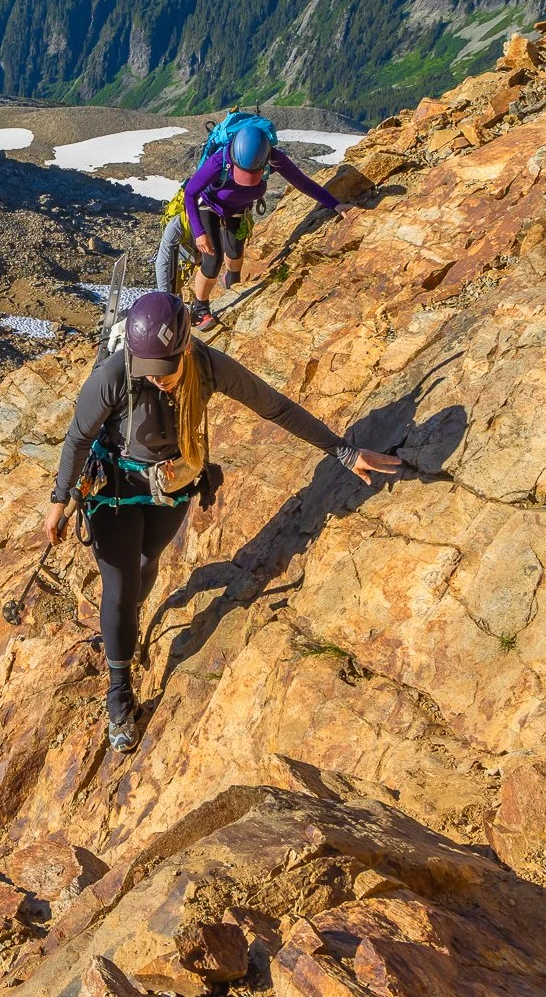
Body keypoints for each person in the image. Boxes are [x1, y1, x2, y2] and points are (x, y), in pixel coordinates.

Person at [40, 290, 404, 751]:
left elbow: (276, 407)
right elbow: (77, 439)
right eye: (148, 373)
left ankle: (126, 618)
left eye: (165, 372)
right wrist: (59, 499)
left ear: (186, 347)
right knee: (120, 585)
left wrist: (344, 451)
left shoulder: (207, 367)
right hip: (114, 489)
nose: (157, 383)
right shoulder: (116, 376)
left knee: (148, 559)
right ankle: (119, 691)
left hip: (170, 488)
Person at [161, 121, 343, 327]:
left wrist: (335, 205)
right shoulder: (218, 161)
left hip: (239, 208)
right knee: (213, 260)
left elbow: (302, 182)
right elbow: (191, 192)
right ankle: (200, 309)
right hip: (209, 206)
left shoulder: (274, 159)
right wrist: (200, 232)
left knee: (235, 253)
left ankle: (232, 283)